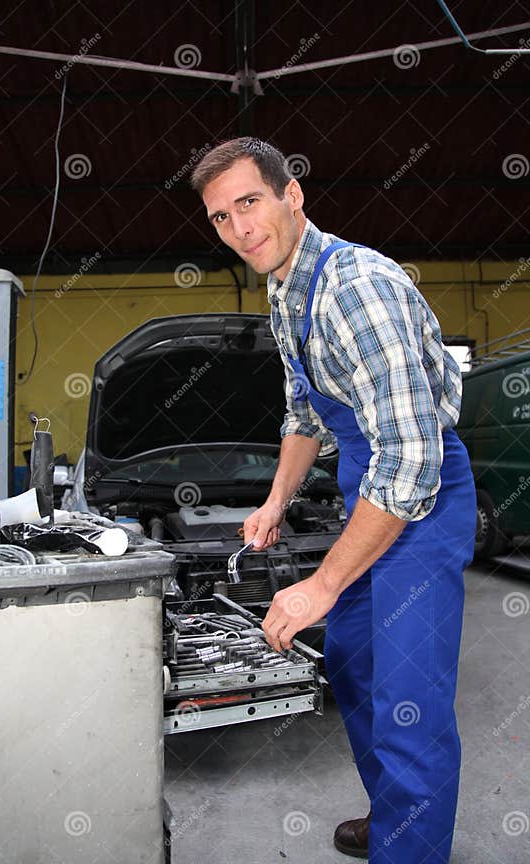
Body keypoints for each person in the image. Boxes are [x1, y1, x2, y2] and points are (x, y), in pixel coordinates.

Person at [190, 137, 476, 863]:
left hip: (421, 500)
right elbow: (305, 414)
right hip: (368, 499)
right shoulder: (286, 288)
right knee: (353, 666)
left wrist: (321, 584)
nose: (239, 228)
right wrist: (276, 501)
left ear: (293, 195)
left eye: (249, 202)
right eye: (221, 217)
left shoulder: (356, 287)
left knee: (409, 706)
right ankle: (396, 820)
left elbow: (412, 460)